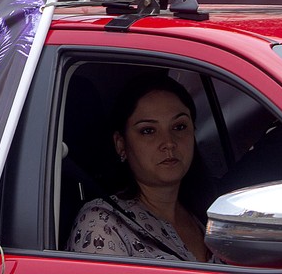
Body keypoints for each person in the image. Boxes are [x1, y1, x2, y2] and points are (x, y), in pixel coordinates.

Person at [67, 72, 212, 262]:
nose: (169, 143)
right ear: (121, 144)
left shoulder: (205, 215)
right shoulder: (102, 224)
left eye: (179, 127)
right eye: (148, 131)